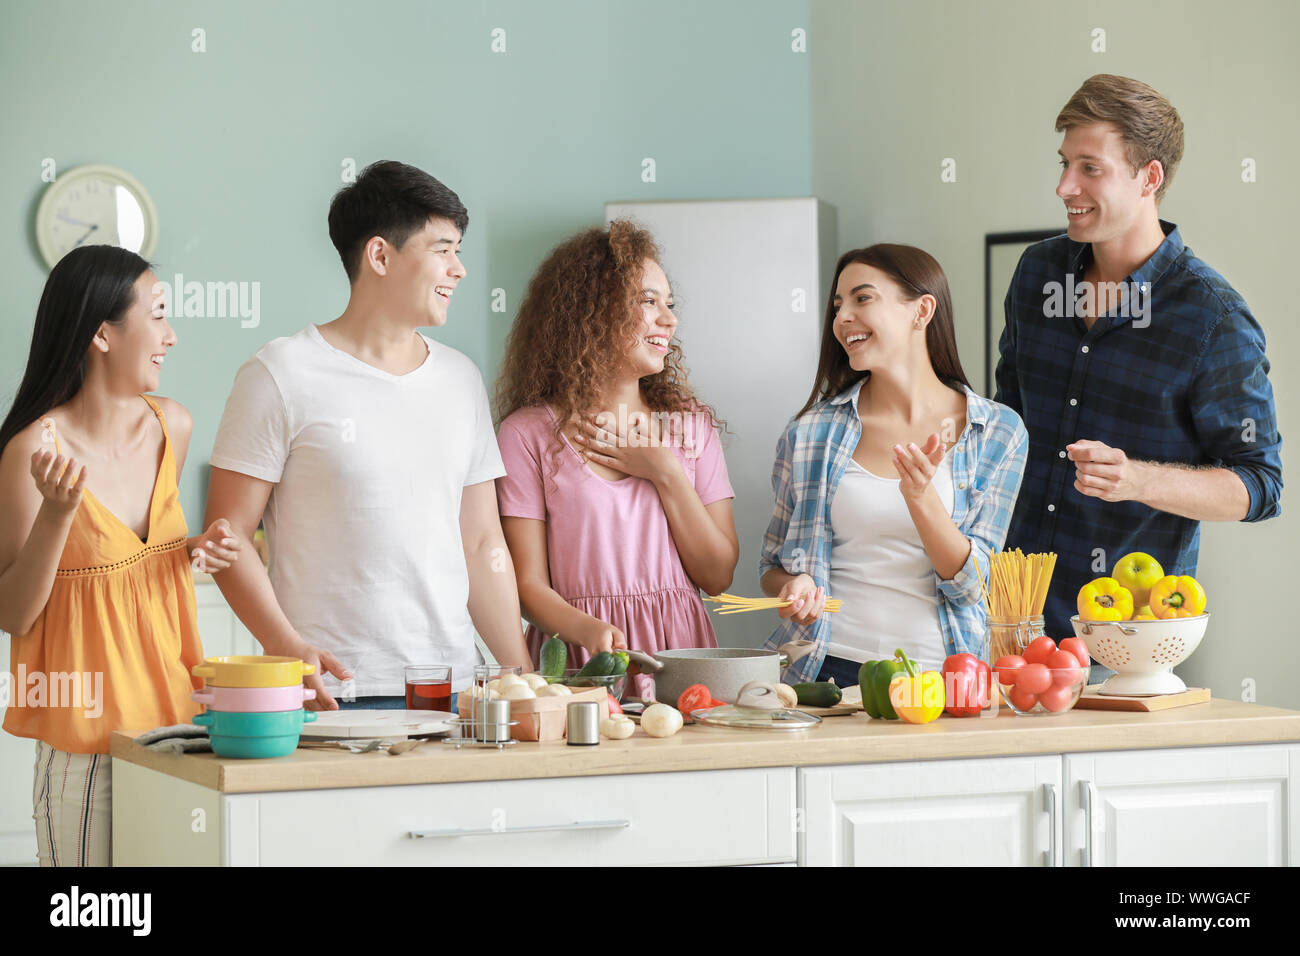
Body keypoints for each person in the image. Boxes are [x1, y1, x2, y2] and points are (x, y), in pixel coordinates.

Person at [205, 161, 531, 711]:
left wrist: (521, 678)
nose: (459, 270)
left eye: (458, 251)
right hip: (330, 693)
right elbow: (227, 535)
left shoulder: (461, 379)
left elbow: (481, 544)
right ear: (380, 255)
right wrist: (286, 647)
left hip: (454, 692)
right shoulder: (280, 373)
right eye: (443, 250)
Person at [995, 74, 1282, 643]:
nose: (1064, 186)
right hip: (1003, 617)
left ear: (1149, 178)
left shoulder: (1214, 317)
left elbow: (1260, 485)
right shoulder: (1036, 273)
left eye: (1089, 168)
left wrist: (1136, 479)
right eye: (1065, 164)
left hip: (1124, 640)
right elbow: (1006, 425)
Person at [0, 245, 240, 866]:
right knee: (95, 909)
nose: (171, 335)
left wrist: (195, 550)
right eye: (157, 315)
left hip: (179, 730)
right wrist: (57, 513)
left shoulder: (172, 426)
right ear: (102, 334)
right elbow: (14, 614)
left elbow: (130, 563)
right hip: (85, 746)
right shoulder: (32, 451)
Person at [759, 244, 1028, 686]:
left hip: (943, 679)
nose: (842, 317)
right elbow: (770, 566)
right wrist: (793, 586)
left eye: (862, 298)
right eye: (838, 305)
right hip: (823, 673)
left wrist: (921, 499)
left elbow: (971, 587)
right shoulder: (809, 433)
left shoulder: (997, 432)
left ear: (922, 310)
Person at [494, 220, 738, 700]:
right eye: (648, 301)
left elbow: (717, 576)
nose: (668, 319)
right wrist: (587, 630)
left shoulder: (691, 427)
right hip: (581, 662)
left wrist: (664, 470)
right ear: (592, 309)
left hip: (681, 659)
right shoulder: (526, 434)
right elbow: (526, 585)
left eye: (669, 304)